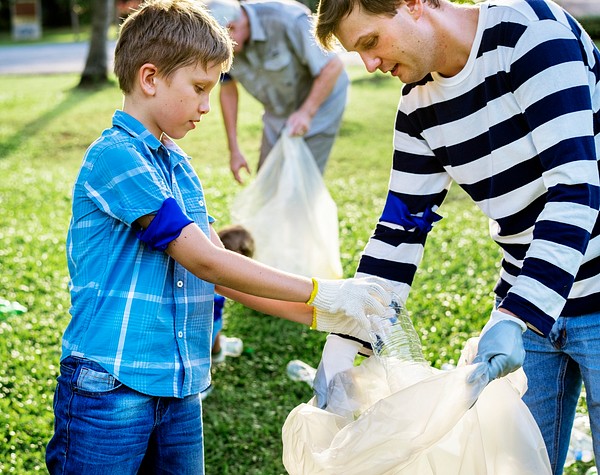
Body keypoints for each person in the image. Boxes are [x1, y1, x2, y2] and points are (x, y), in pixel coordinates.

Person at [44, 1, 392, 473]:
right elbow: (202, 260)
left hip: (180, 389)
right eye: (200, 88)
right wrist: (324, 291)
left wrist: (325, 315)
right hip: (111, 388)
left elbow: (223, 273)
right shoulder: (116, 158)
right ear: (150, 79)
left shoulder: (179, 168)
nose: (208, 105)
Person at [313, 0, 600, 473]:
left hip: (564, 296)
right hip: (526, 298)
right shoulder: (417, 107)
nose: (368, 64)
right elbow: (400, 232)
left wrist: (516, 314)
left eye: (370, 42)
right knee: (517, 463)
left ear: (414, 4)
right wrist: (347, 343)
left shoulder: (533, 37)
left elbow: (576, 189)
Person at [204, 0, 349, 184]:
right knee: (267, 177)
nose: (222, 52)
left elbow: (332, 65)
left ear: (231, 27)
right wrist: (234, 150)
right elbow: (228, 90)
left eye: (223, 43)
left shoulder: (287, 18)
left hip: (321, 105)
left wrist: (306, 113)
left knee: (301, 181)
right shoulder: (225, 44)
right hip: (278, 110)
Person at [201, 224, 255, 400]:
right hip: (202, 323)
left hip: (212, 320)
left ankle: (216, 356)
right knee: (204, 347)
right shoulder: (213, 277)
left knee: (213, 337)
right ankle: (204, 380)